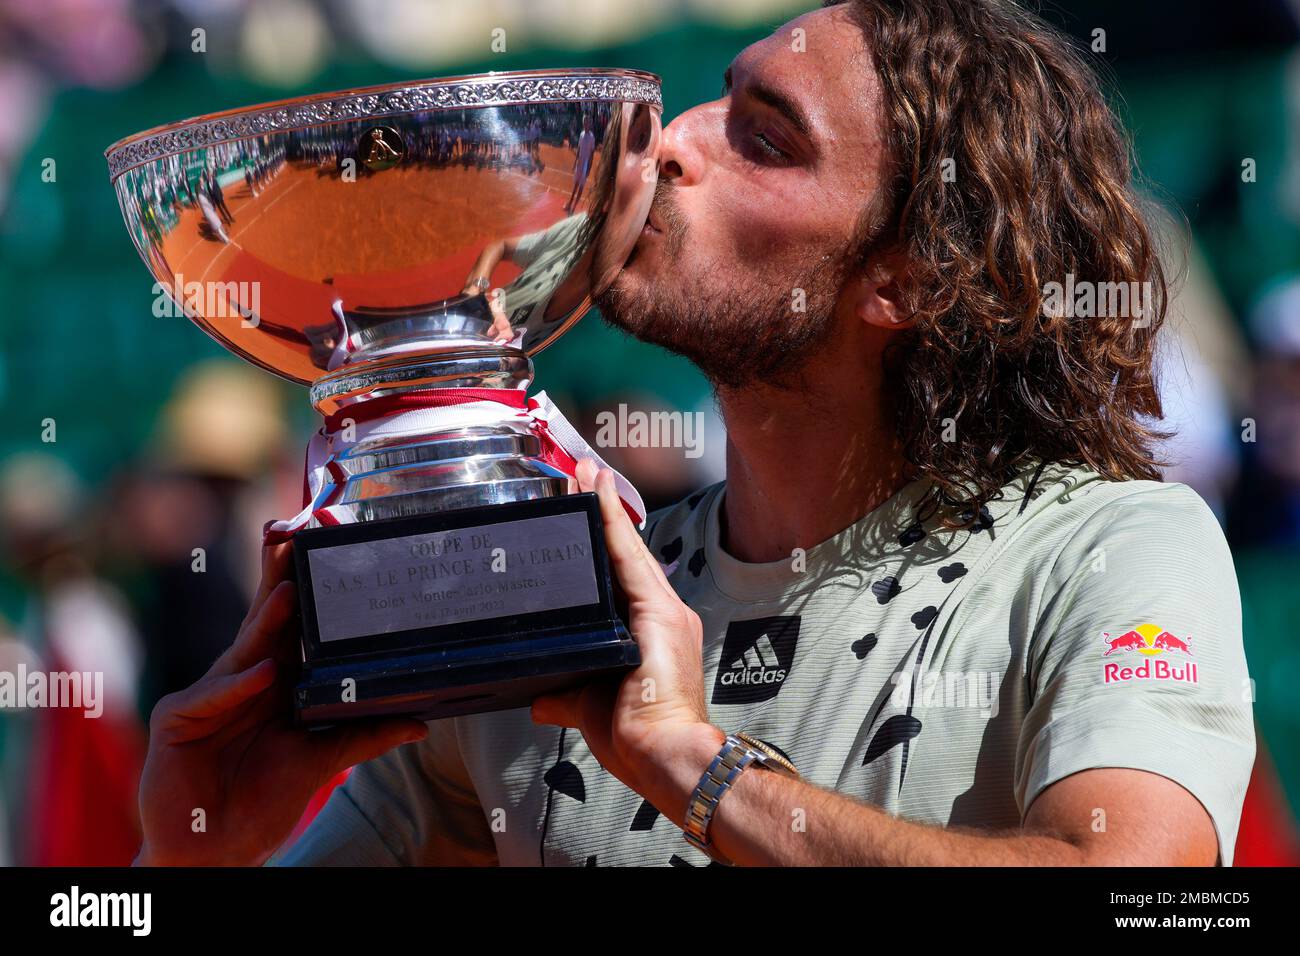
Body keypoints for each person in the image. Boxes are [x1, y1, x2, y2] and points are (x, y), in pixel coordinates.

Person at [135, 0, 1254, 867]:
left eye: (765, 139)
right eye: (715, 99)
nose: (669, 144)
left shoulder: (1109, 548)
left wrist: (688, 760)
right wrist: (192, 849)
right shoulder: (547, 598)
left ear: (912, 276)